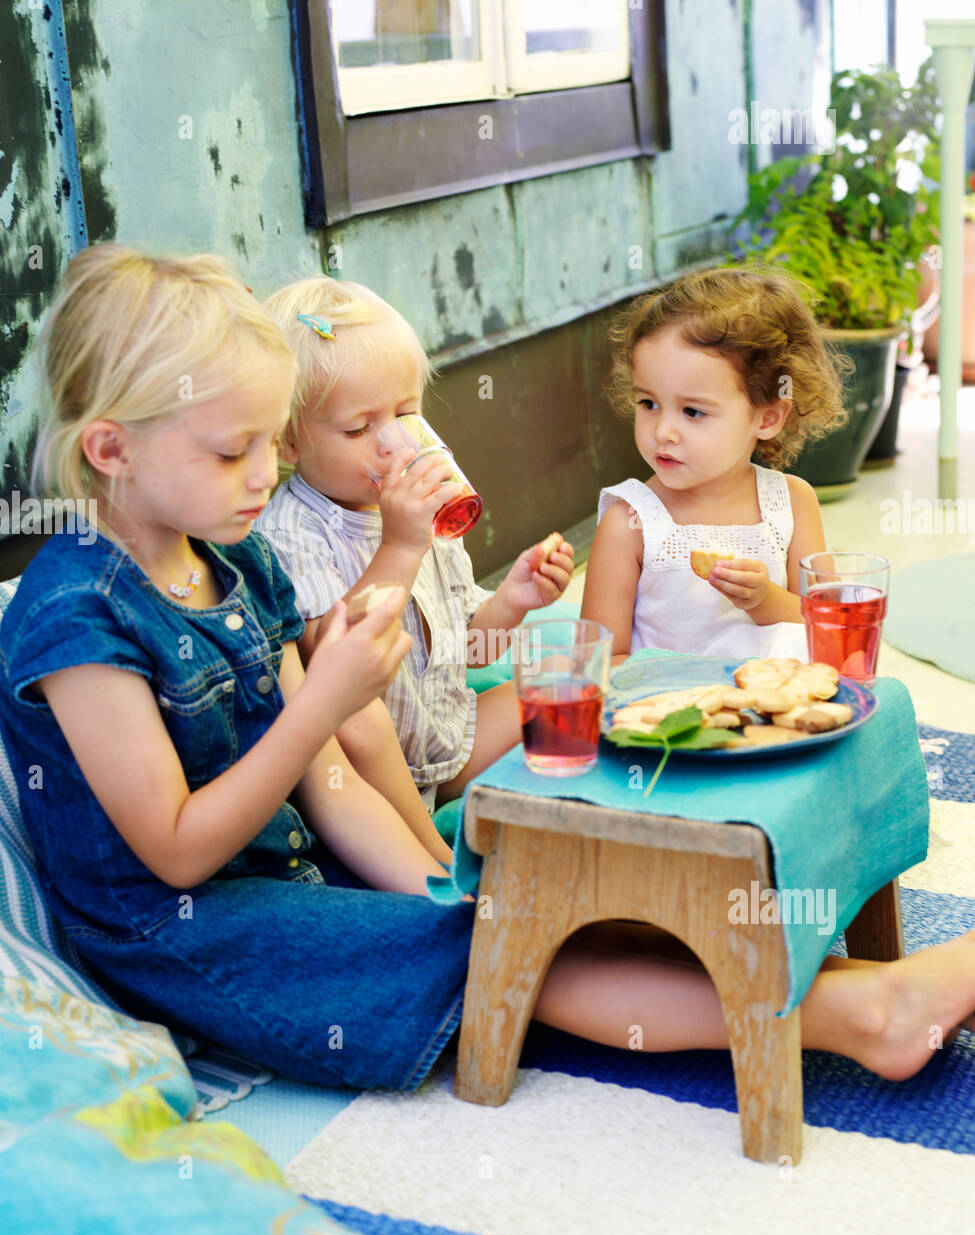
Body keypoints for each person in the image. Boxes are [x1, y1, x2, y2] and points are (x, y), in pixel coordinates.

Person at [2, 242, 973, 1096]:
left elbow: (334, 771)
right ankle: (868, 1016)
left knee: (511, 905)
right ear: (110, 449)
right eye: (235, 450)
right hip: (192, 934)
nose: (267, 472)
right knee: (488, 945)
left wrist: (433, 872)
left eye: (273, 442)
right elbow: (177, 851)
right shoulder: (79, 620)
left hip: (302, 865)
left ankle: (865, 992)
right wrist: (328, 713)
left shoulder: (230, 556)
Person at [254, 277, 573, 862]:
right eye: (358, 428)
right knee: (357, 718)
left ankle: (590, 822)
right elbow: (334, 660)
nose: (394, 443)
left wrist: (515, 599)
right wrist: (400, 546)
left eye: (406, 413)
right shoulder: (290, 535)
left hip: (445, 740)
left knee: (570, 684)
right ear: (288, 442)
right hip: (369, 778)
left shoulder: (423, 506)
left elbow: (467, 648)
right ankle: (440, 860)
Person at [582, 266, 847, 663]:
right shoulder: (630, 522)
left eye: (692, 411)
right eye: (648, 403)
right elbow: (598, 659)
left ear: (768, 417)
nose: (663, 432)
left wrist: (764, 600)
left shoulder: (792, 503)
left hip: (772, 703)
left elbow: (829, 629)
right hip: (666, 712)